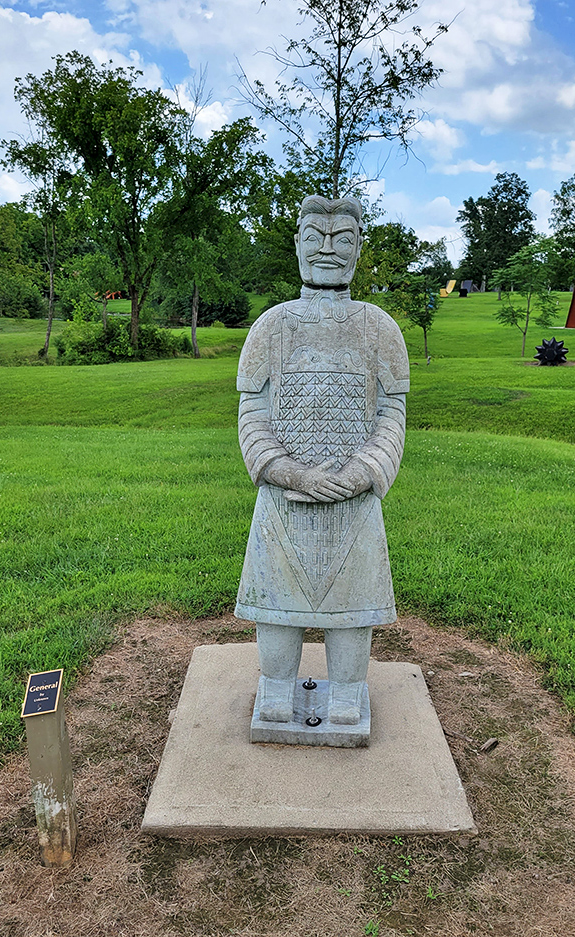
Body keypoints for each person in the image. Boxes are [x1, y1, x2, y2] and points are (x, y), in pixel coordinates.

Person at [235, 195, 409, 727]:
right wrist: (288, 471)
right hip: (283, 497)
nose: (328, 249)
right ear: (297, 245)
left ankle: (349, 689)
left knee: (352, 604)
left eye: (343, 239)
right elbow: (252, 413)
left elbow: (392, 413)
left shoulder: (379, 327)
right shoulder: (271, 326)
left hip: (354, 500)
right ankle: (275, 682)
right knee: (277, 602)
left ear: (359, 249)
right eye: (315, 237)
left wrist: (361, 474)